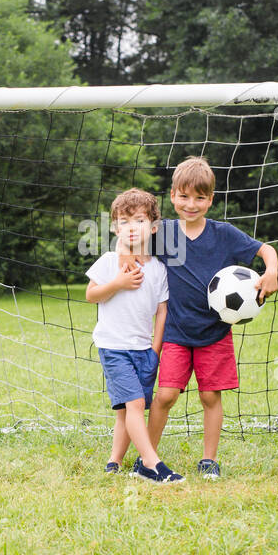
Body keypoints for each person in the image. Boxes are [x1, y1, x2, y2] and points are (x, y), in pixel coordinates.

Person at [143, 157, 278, 479]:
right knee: (165, 395)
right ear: (173, 195)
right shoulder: (163, 234)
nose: (191, 204)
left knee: (209, 395)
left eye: (200, 198)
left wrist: (270, 271)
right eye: (184, 196)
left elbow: (266, 250)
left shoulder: (224, 234)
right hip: (175, 330)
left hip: (214, 333)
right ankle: (148, 458)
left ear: (211, 200)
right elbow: (129, 243)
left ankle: (209, 460)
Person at [85, 187, 185, 483]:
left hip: (144, 350)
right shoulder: (108, 261)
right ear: (115, 227)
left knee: (126, 410)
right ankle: (152, 465)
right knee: (136, 405)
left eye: (139, 221)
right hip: (113, 346)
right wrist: (118, 283)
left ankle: (114, 460)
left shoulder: (159, 270)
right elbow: (92, 295)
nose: (131, 228)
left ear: (153, 227)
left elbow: (162, 311)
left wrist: (155, 349)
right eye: (124, 222)